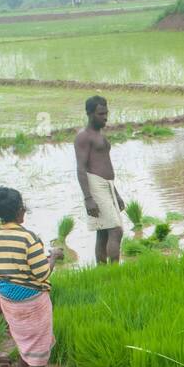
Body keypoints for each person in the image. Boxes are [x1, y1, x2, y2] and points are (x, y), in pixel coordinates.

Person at [0, 186, 63, 367]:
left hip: (7, 298)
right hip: (31, 300)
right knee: (38, 355)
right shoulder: (28, 238)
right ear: (20, 210)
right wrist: (54, 256)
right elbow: (42, 274)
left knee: (23, 344)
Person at [75, 95, 123, 264]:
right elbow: (81, 169)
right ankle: (114, 270)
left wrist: (115, 194)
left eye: (106, 113)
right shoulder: (84, 137)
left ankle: (103, 271)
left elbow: (106, 167)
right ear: (89, 114)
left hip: (107, 185)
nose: (105, 117)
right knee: (116, 230)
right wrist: (88, 198)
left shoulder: (99, 135)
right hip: (95, 185)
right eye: (100, 114)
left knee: (103, 232)